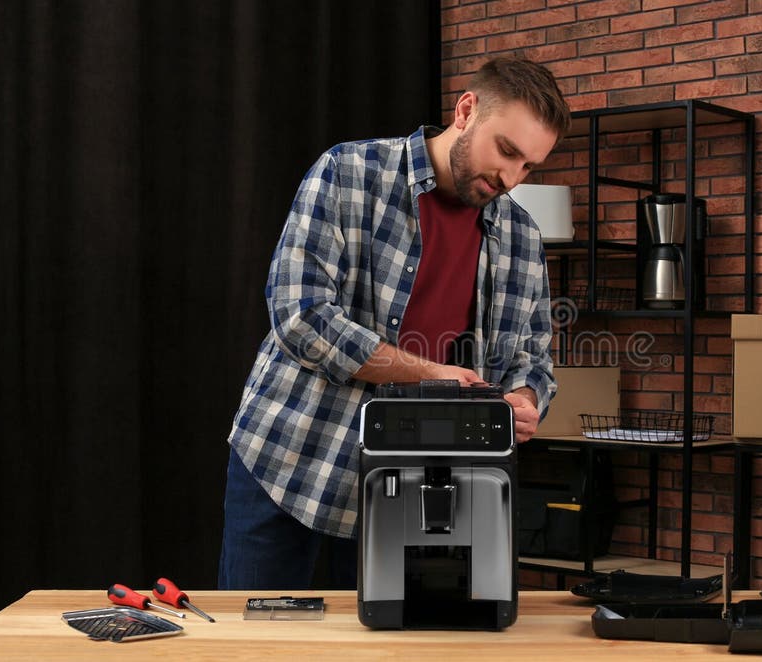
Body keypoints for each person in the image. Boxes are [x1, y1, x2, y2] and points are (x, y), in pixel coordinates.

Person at [218, 56, 572, 590]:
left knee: (370, 645)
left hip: (400, 485)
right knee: (250, 640)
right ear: (467, 109)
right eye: (506, 152)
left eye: (529, 167)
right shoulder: (347, 172)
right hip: (288, 455)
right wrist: (432, 375)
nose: (510, 178)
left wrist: (525, 398)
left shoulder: (521, 236)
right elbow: (300, 315)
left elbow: (530, 355)